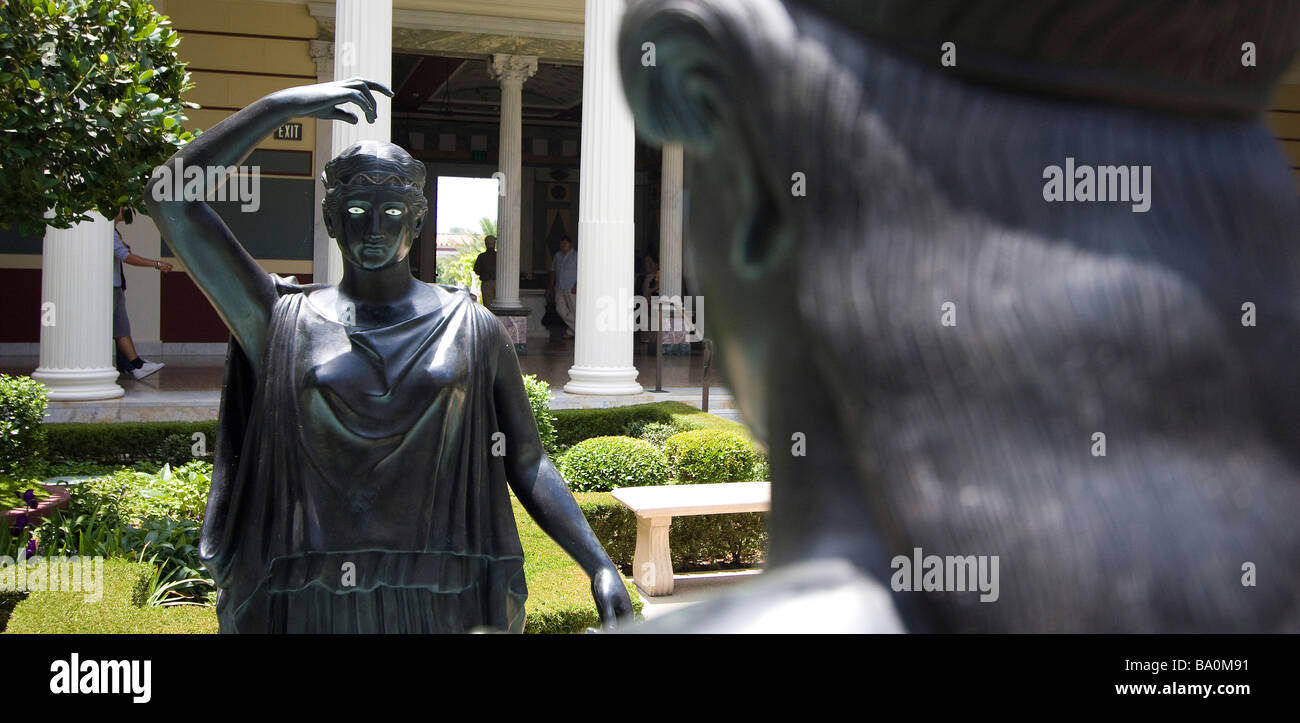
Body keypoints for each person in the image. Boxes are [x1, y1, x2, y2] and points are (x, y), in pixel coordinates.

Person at [145, 78, 632, 633]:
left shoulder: (473, 328)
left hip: (443, 591)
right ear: (332, 221)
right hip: (309, 595)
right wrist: (277, 107)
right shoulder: (282, 322)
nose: (374, 228)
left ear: (418, 221)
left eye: (393, 211)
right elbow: (170, 199)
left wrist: (597, 564)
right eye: (355, 209)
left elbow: (526, 459)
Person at [112, 210, 171, 380]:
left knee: (120, 327)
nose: (125, 211)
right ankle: (136, 365)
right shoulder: (107, 232)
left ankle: (132, 364)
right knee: (120, 327)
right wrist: (157, 264)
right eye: (122, 207)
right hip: (112, 286)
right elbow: (126, 257)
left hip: (115, 285)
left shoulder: (114, 232)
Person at [548, 236, 577, 338]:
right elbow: (553, 270)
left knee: (574, 310)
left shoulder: (576, 256)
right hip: (559, 287)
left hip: (571, 288)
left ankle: (572, 331)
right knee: (560, 309)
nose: (563, 246)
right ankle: (578, 329)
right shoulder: (557, 255)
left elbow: (582, 272)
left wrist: (576, 285)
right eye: (562, 244)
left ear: (570, 245)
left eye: (566, 244)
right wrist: (551, 286)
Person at [472, 234, 497, 306]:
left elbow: (476, 271)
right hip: (498, 283)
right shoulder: (499, 256)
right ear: (494, 244)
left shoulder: (482, 256)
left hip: (486, 283)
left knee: (488, 305)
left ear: (486, 244)